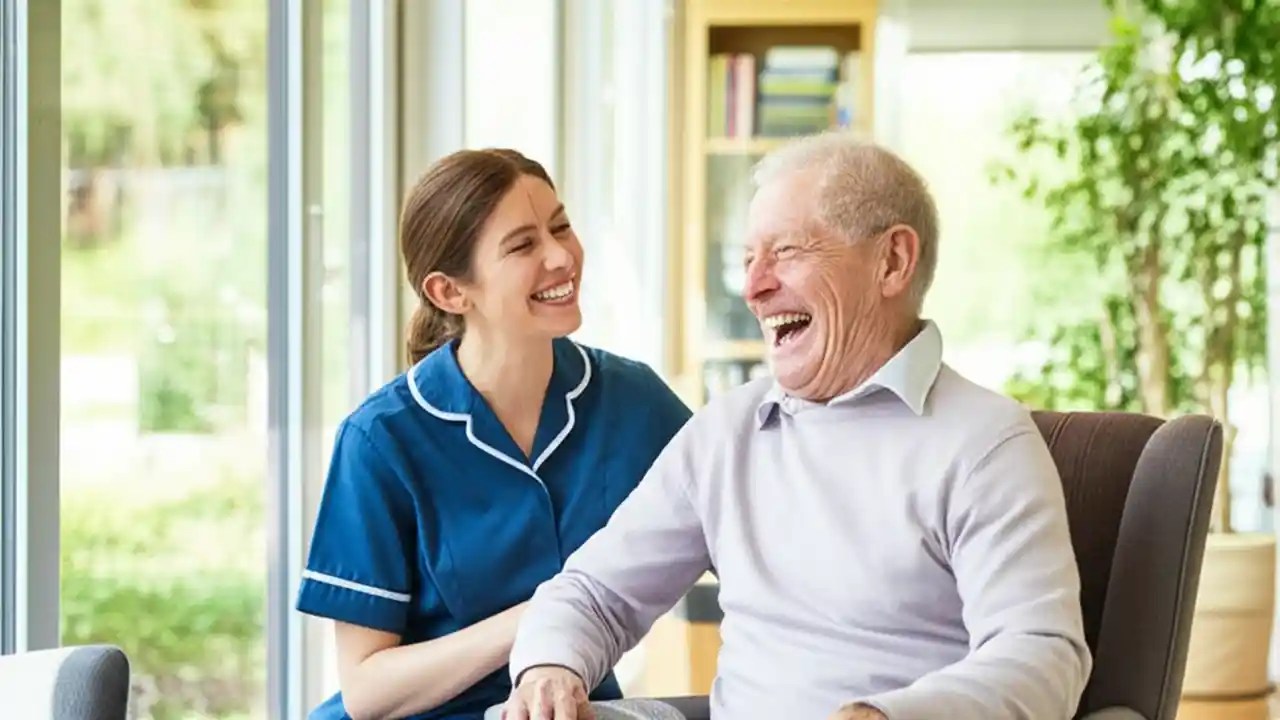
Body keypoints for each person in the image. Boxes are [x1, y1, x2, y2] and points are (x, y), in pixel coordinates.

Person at [499, 133, 1092, 720]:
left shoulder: (986, 443)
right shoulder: (727, 432)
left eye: (786, 252)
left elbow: (1041, 657)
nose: (754, 288)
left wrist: (884, 717)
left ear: (892, 261)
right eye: (748, 258)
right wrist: (551, 667)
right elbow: (596, 593)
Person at [295, 148, 693, 720]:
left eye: (561, 227)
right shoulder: (381, 440)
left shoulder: (634, 402)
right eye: (523, 245)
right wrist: (552, 615)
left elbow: (752, 534)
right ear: (451, 292)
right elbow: (367, 690)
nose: (561, 256)